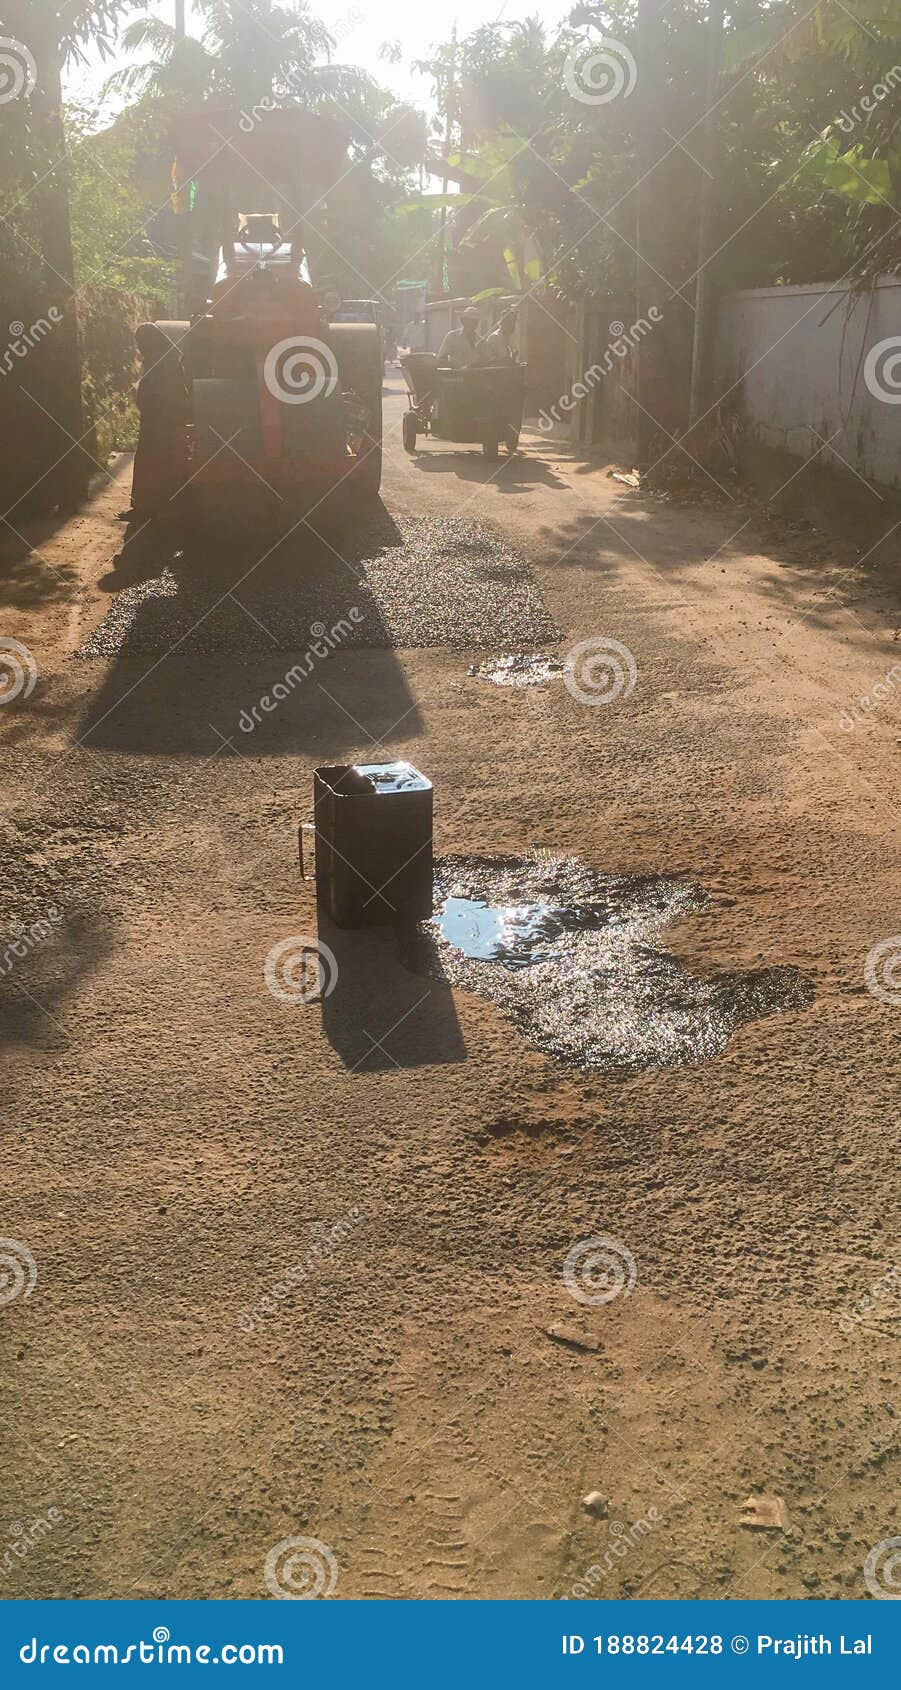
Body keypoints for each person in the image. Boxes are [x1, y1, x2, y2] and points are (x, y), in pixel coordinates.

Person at [123, 323, 190, 521]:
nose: (139, 347)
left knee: (155, 463)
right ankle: (145, 506)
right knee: (148, 462)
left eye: (141, 342)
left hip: (161, 423)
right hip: (154, 422)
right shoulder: (161, 359)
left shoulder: (166, 362)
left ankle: (149, 507)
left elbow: (172, 394)